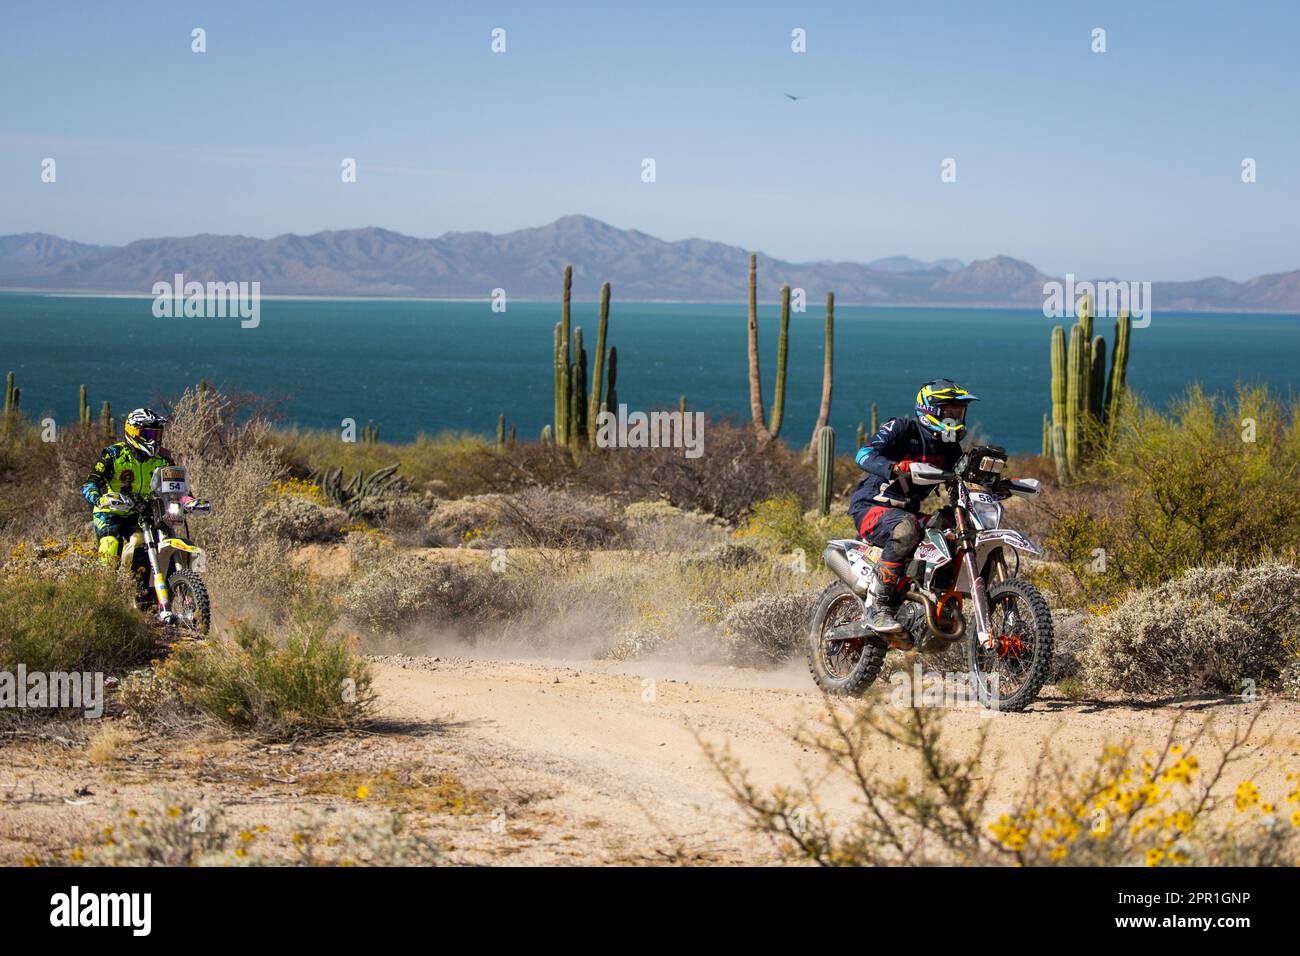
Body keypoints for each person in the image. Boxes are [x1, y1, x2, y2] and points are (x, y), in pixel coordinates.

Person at [848, 379, 978, 632]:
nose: (955, 418)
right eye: (949, 412)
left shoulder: (949, 448)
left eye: (958, 413)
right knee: (906, 528)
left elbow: (960, 481)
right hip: (871, 507)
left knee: (949, 528)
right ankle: (879, 608)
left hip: (906, 513)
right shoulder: (902, 428)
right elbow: (863, 455)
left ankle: (938, 602)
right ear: (930, 410)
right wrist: (894, 468)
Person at [80, 408, 174, 568]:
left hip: (140, 513)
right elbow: (90, 484)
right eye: (149, 435)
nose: (154, 440)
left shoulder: (163, 460)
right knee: (110, 547)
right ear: (134, 432)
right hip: (110, 513)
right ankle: (105, 588)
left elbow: (175, 487)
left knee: (144, 549)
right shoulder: (114, 455)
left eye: (157, 435)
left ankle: (145, 590)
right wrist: (99, 498)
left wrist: (189, 500)